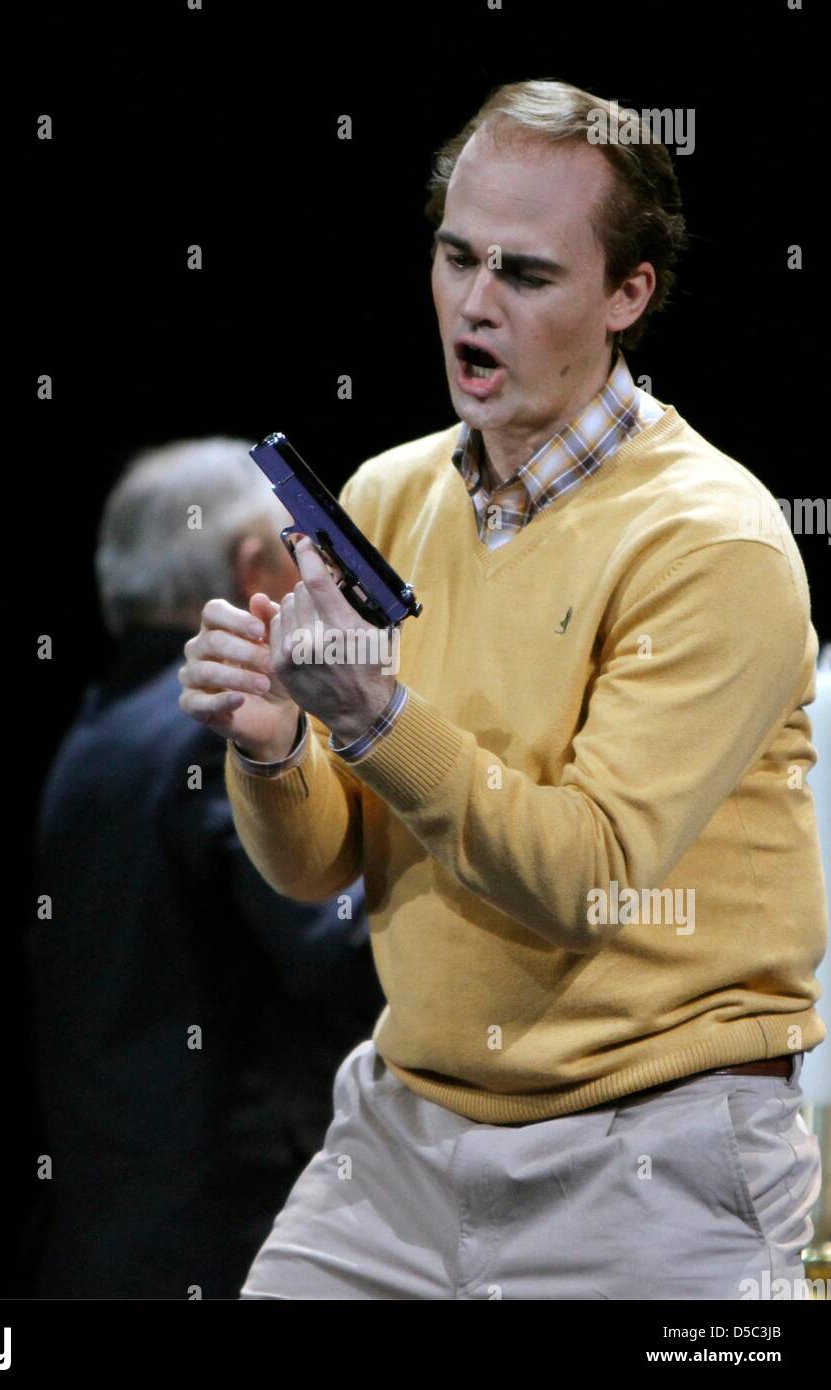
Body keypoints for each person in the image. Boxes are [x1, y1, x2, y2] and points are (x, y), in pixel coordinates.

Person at [179, 80, 827, 1300]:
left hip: (652, 1153)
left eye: (524, 276)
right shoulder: (388, 497)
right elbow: (326, 865)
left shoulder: (710, 543)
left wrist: (370, 717)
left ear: (626, 295)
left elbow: (587, 878)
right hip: (405, 1130)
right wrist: (273, 753)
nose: (474, 305)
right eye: (455, 256)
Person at [22, 437, 383, 1300]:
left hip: (113, 1229)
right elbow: (335, 954)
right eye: (300, 556)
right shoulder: (212, 728)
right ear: (252, 566)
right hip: (234, 1232)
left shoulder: (93, 734)